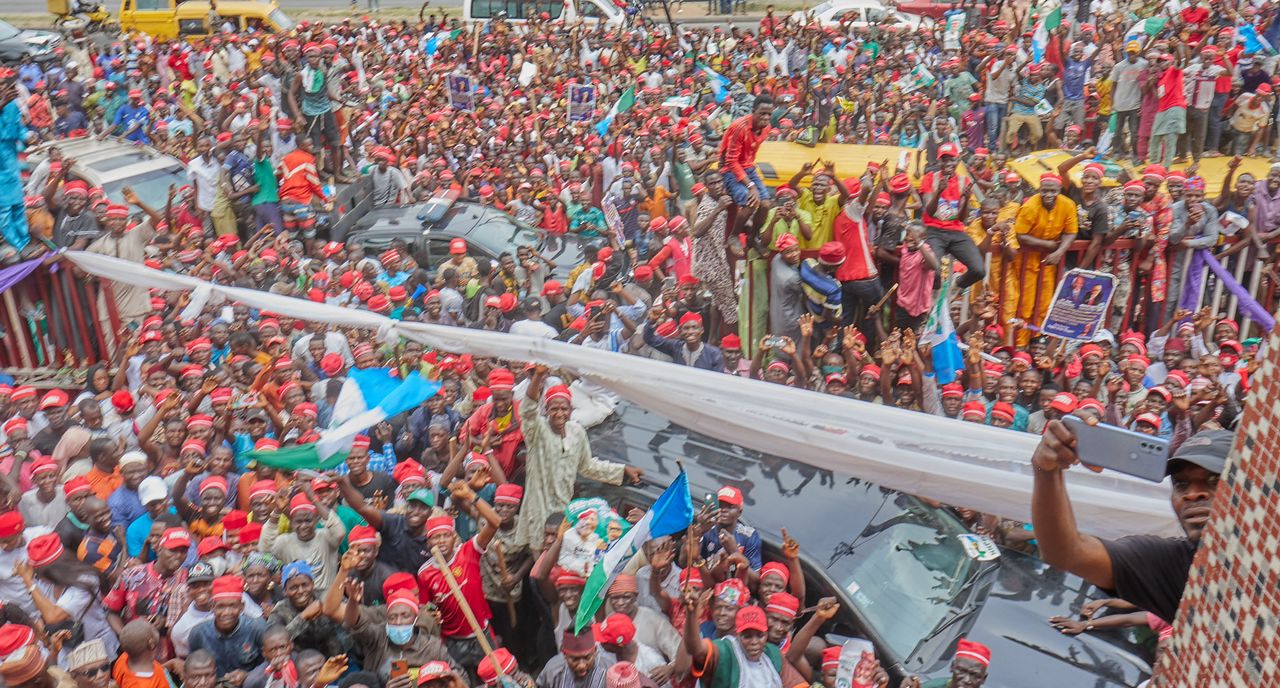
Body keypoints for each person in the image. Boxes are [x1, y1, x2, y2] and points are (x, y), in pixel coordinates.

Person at [1032, 425, 1230, 622]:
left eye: (1214, 480)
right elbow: (1067, 553)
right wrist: (1046, 470)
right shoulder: (1170, 563)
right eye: (1181, 484)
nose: (1193, 494)